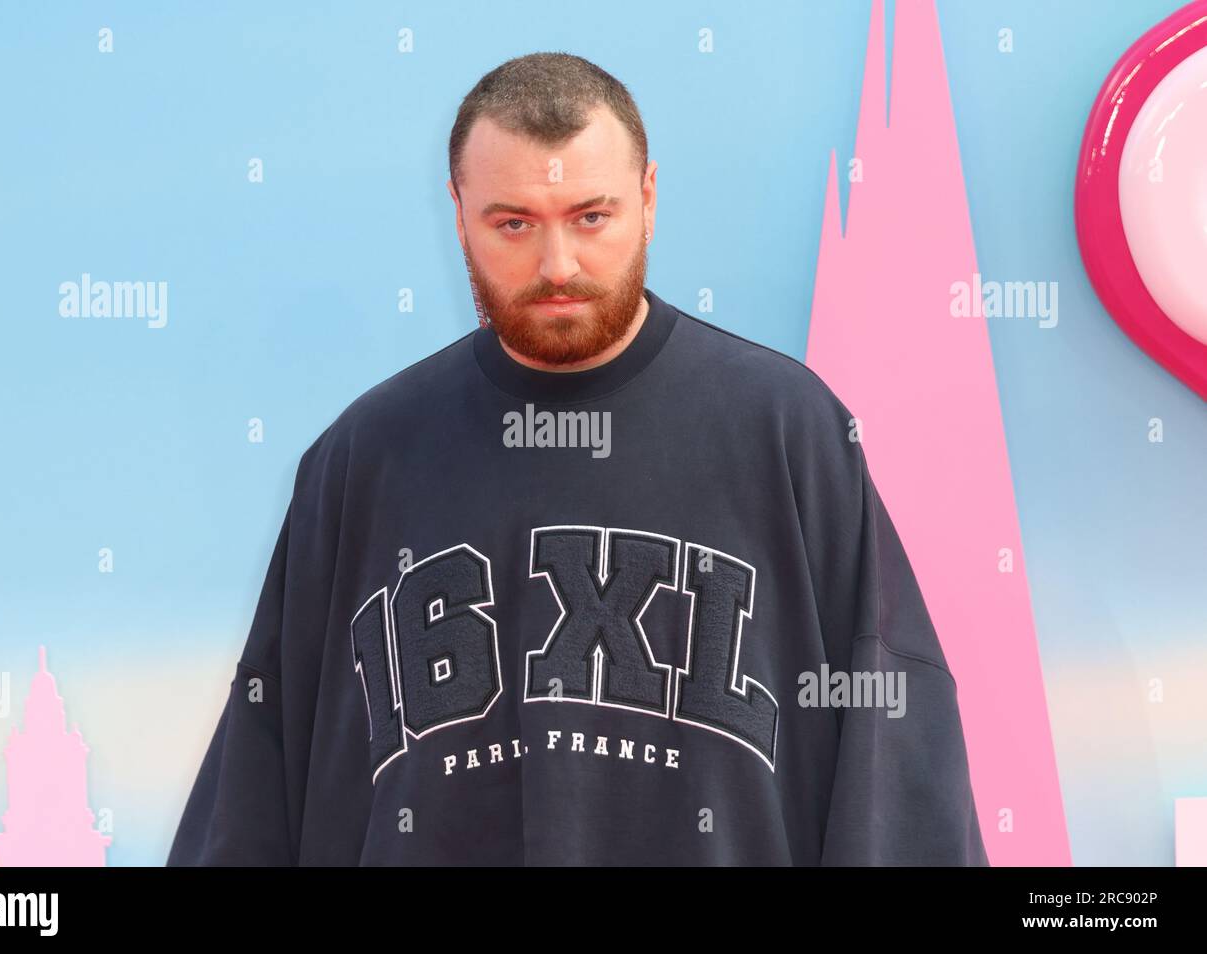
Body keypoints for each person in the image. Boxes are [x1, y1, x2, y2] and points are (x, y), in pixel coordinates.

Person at [167, 51, 988, 866]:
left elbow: (898, 760)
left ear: (649, 199)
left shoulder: (788, 432)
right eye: (514, 223)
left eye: (591, 217)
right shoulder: (363, 462)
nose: (556, 265)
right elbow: (258, 784)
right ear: (458, 214)